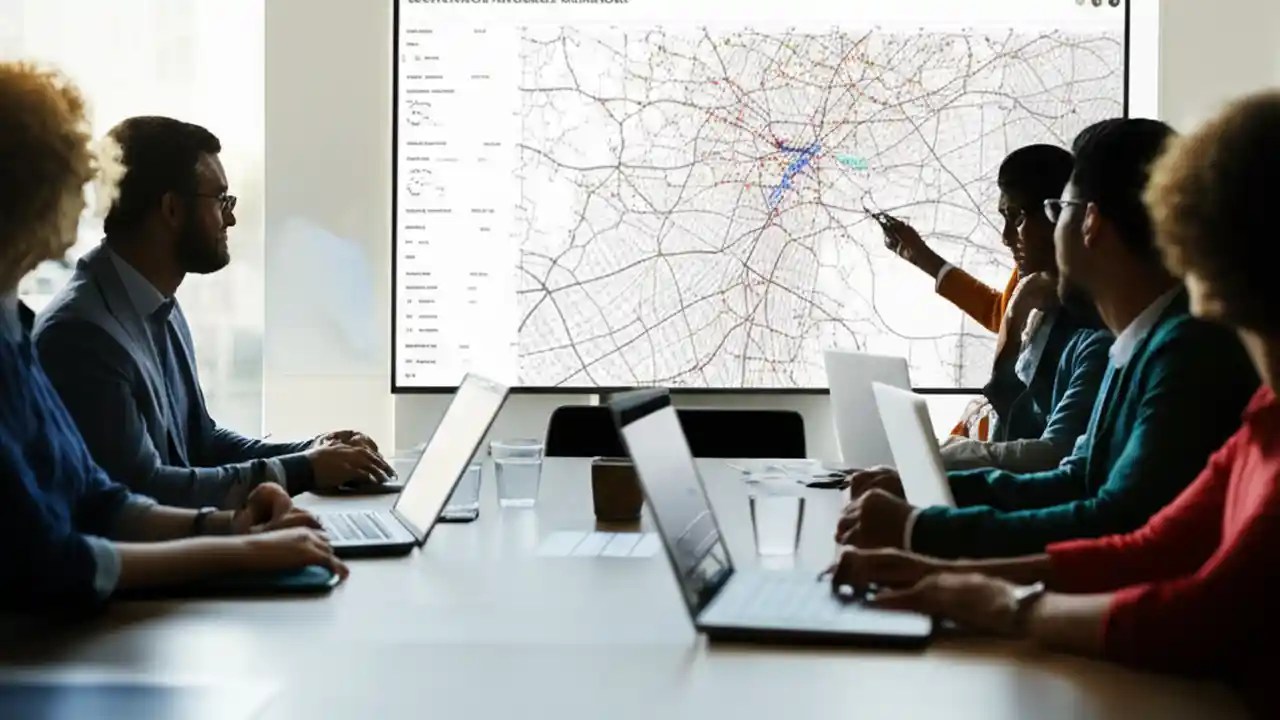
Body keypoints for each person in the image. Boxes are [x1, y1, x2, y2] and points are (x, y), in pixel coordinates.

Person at [827, 91, 1280, 708]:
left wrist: (978, 582)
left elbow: (1183, 594)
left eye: (1053, 208)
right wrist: (934, 555)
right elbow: (1137, 529)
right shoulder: (1239, 401)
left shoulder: (1189, 350)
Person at [0, 61, 346, 612]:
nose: (87, 199)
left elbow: (99, 497)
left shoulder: (14, 330)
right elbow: (61, 558)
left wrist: (234, 525)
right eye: (74, 183)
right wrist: (241, 549)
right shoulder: (73, 333)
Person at [836, 118, 1259, 559]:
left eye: (1058, 210)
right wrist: (925, 488)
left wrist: (922, 529)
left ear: (1090, 221)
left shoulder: (1184, 352)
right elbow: (1077, 480)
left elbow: (1112, 519)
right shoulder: (1135, 342)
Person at [32, 115, 394, 510]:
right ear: (171, 208)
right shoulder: (81, 336)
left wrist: (314, 452)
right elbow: (146, 492)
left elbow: (202, 443)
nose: (231, 217)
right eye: (220, 199)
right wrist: (303, 469)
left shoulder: (157, 303)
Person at [878, 144, 1076, 440]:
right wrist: (921, 256)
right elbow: (1002, 312)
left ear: (1056, 215)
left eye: (1017, 217)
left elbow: (1045, 447)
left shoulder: (1088, 325)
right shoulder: (1032, 276)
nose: (1005, 238)